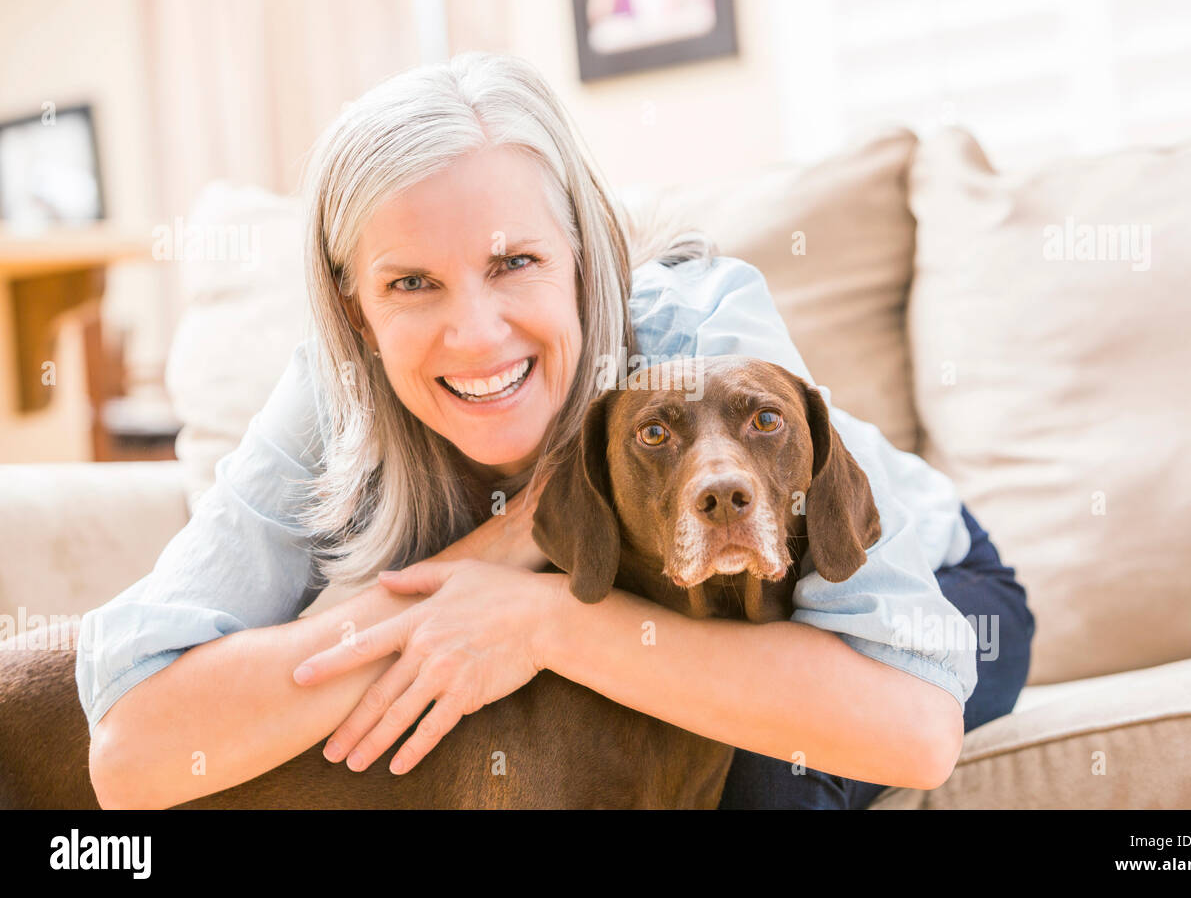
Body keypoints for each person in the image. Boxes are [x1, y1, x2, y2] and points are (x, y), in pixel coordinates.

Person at [76, 51, 1033, 810]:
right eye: (412, 282)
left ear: (589, 255)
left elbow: (911, 724)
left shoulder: (696, 333)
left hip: (947, 586)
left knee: (746, 776)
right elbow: (131, 752)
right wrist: (500, 550)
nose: (476, 333)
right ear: (354, 307)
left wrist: (544, 622)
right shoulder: (335, 400)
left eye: (516, 261)